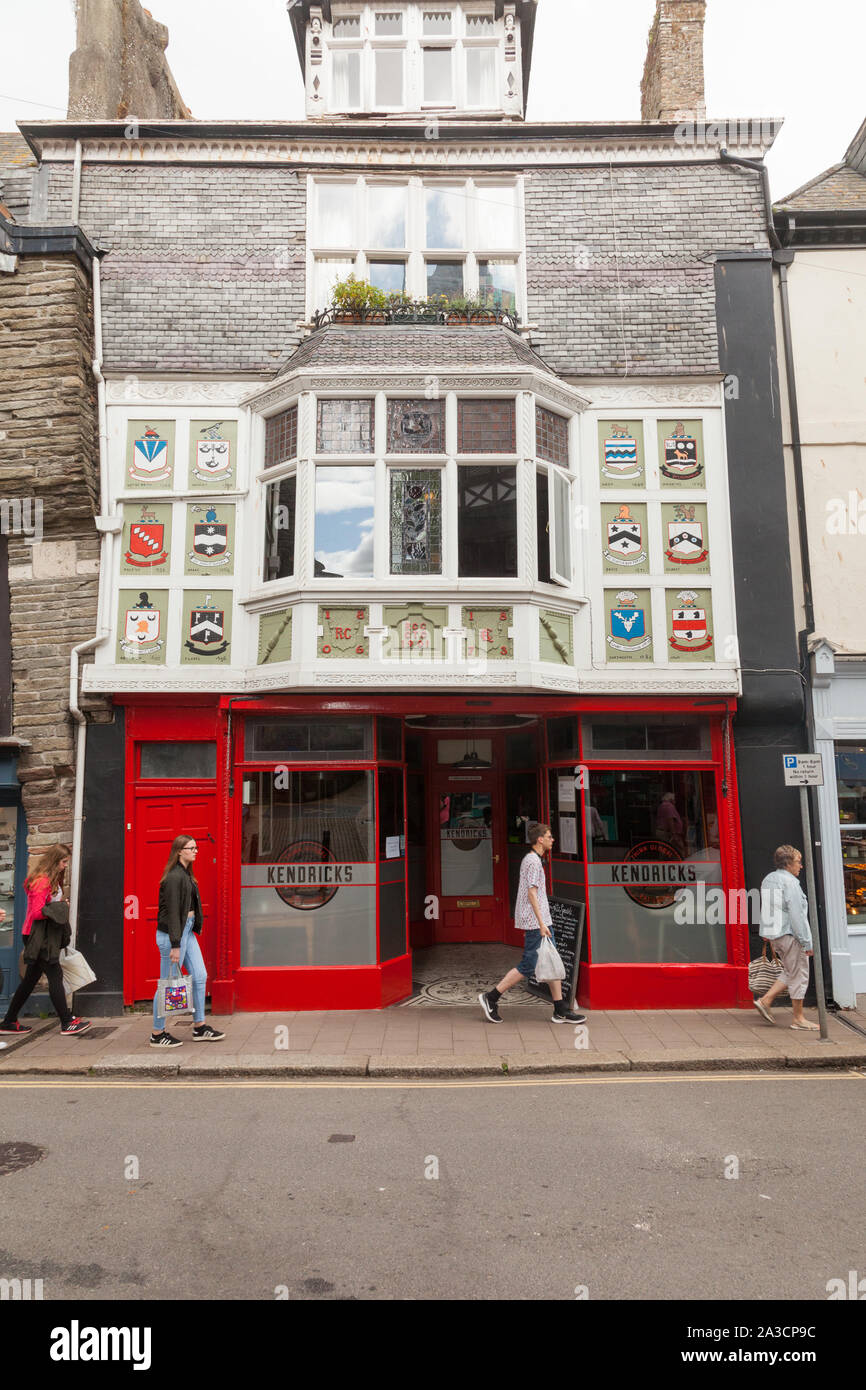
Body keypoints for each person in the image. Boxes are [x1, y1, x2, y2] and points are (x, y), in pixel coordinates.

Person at [479, 822, 586, 1025]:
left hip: (542, 920)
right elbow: (532, 893)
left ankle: (560, 1009)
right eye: (549, 836)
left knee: (553, 961)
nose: (552, 839)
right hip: (537, 922)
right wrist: (541, 923)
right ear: (540, 839)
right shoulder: (533, 862)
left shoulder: (533, 859)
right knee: (528, 965)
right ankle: (491, 997)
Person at [0, 844, 91, 1036]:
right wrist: (60, 908)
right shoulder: (41, 881)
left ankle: (8, 1021)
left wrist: (58, 904)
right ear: (54, 860)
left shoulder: (50, 879)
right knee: (55, 975)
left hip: (42, 935)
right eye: (63, 861)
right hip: (37, 936)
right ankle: (67, 1022)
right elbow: (36, 913)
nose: (65, 865)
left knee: (30, 980)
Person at [150, 834, 225, 1047]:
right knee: (166, 984)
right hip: (174, 935)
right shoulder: (174, 877)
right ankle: (157, 1033)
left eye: (196, 848)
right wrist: (175, 944)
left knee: (200, 976)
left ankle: (199, 1027)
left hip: (186, 932)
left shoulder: (185, 873)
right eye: (191, 848)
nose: (195, 851)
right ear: (179, 851)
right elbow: (173, 912)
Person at [753, 845, 818, 1030]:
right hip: (790, 935)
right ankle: (799, 1019)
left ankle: (766, 1000)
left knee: (790, 971)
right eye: (798, 861)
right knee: (800, 974)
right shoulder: (790, 883)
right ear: (788, 863)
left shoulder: (769, 879)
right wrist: (806, 942)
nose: (801, 866)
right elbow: (797, 915)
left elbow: (767, 907)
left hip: (776, 935)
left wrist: (766, 933)